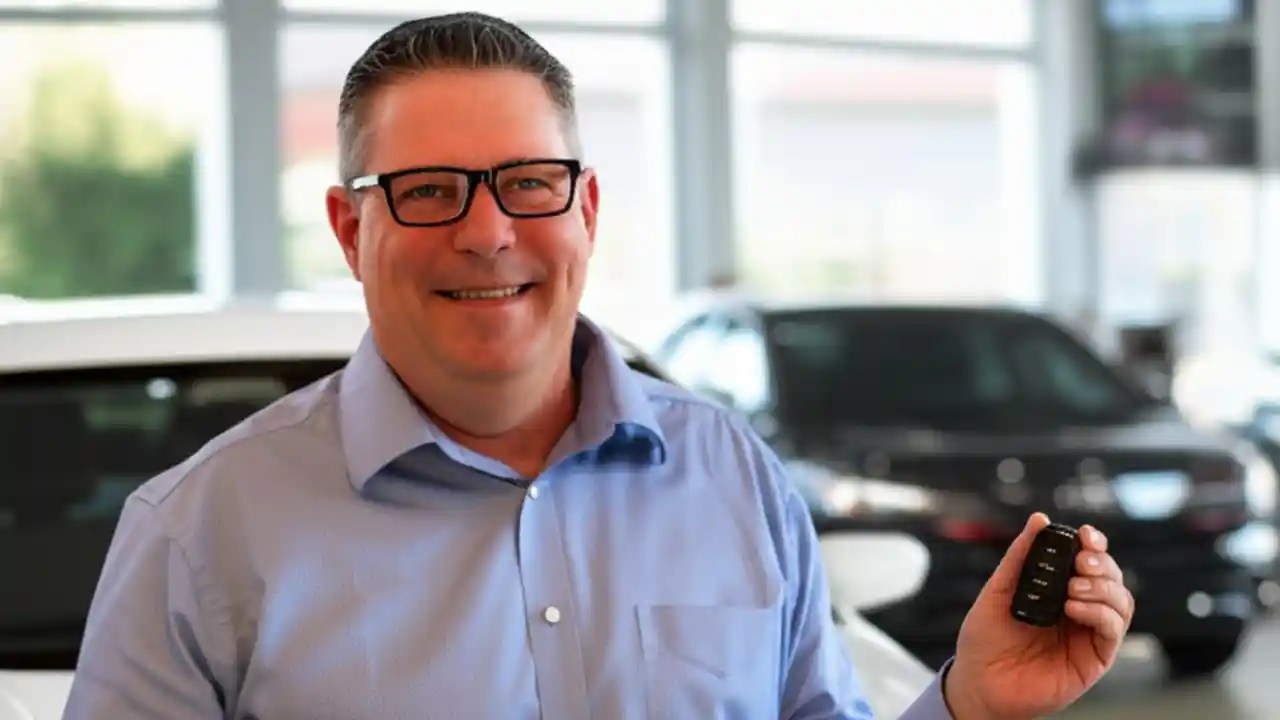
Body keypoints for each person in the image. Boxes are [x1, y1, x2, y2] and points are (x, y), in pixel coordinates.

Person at [64, 12, 1133, 719]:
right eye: (429, 190)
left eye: (527, 182)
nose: (486, 235)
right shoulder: (200, 531)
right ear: (350, 231)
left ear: (584, 208)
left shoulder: (730, 477)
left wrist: (968, 704)